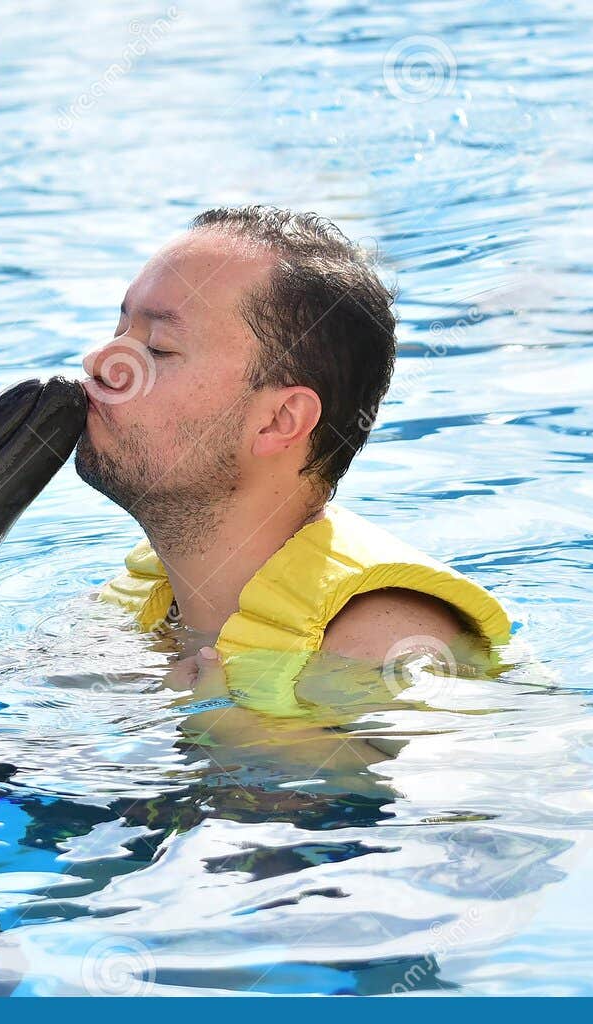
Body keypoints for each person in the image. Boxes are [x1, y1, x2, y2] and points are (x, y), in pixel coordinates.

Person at [76, 206, 512, 717]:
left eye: (159, 347)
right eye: (120, 327)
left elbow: (516, 786)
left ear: (280, 420)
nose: (100, 360)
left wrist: (227, 735)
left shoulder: (388, 645)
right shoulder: (140, 610)